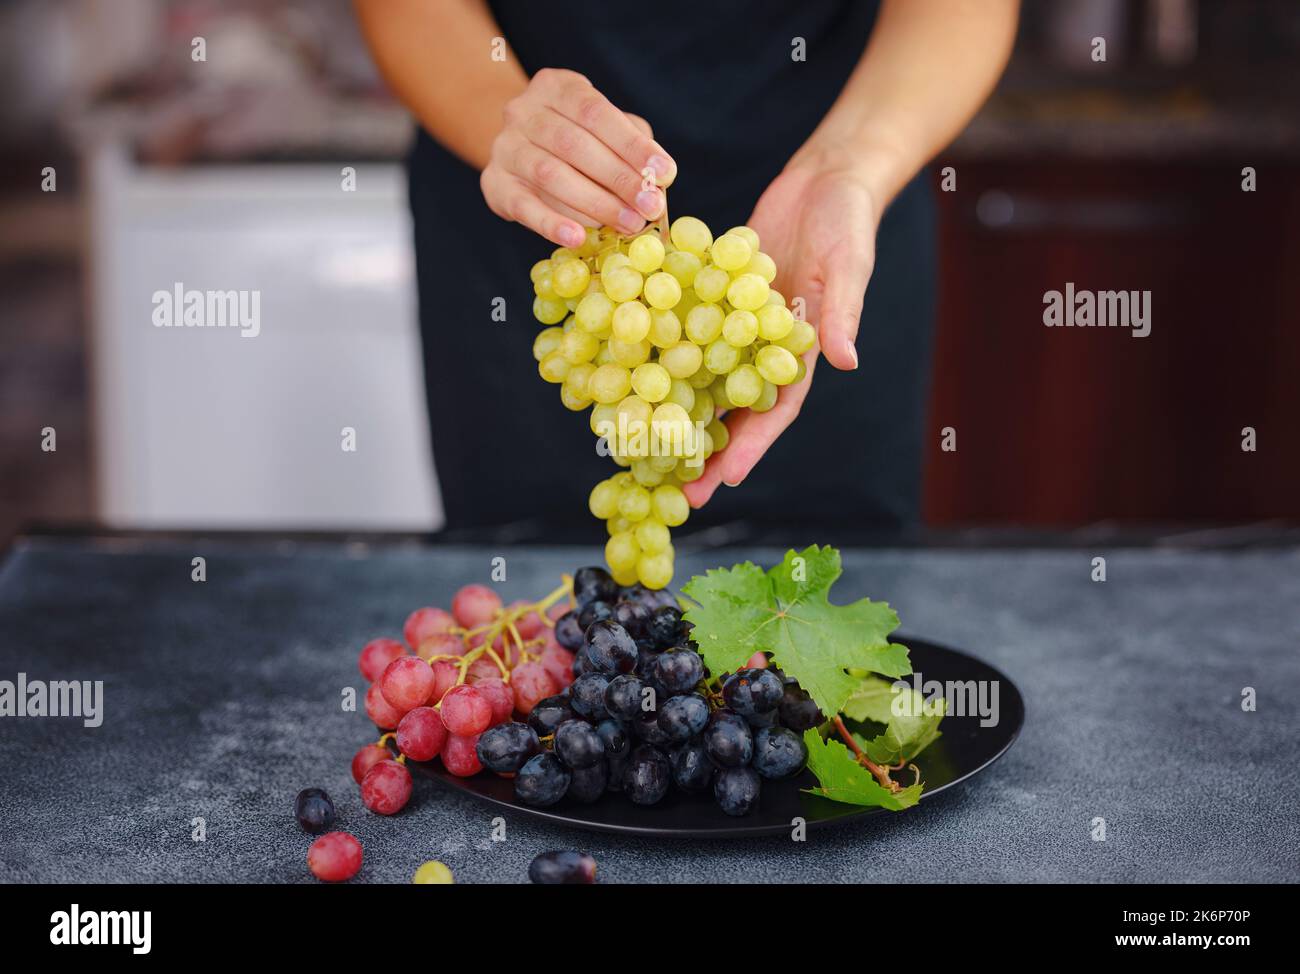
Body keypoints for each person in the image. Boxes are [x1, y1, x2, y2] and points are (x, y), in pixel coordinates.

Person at [355, 0, 1019, 535]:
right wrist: (498, 116)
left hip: (822, 237)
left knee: (828, 612)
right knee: (532, 607)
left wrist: (853, 164)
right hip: (539, 218)